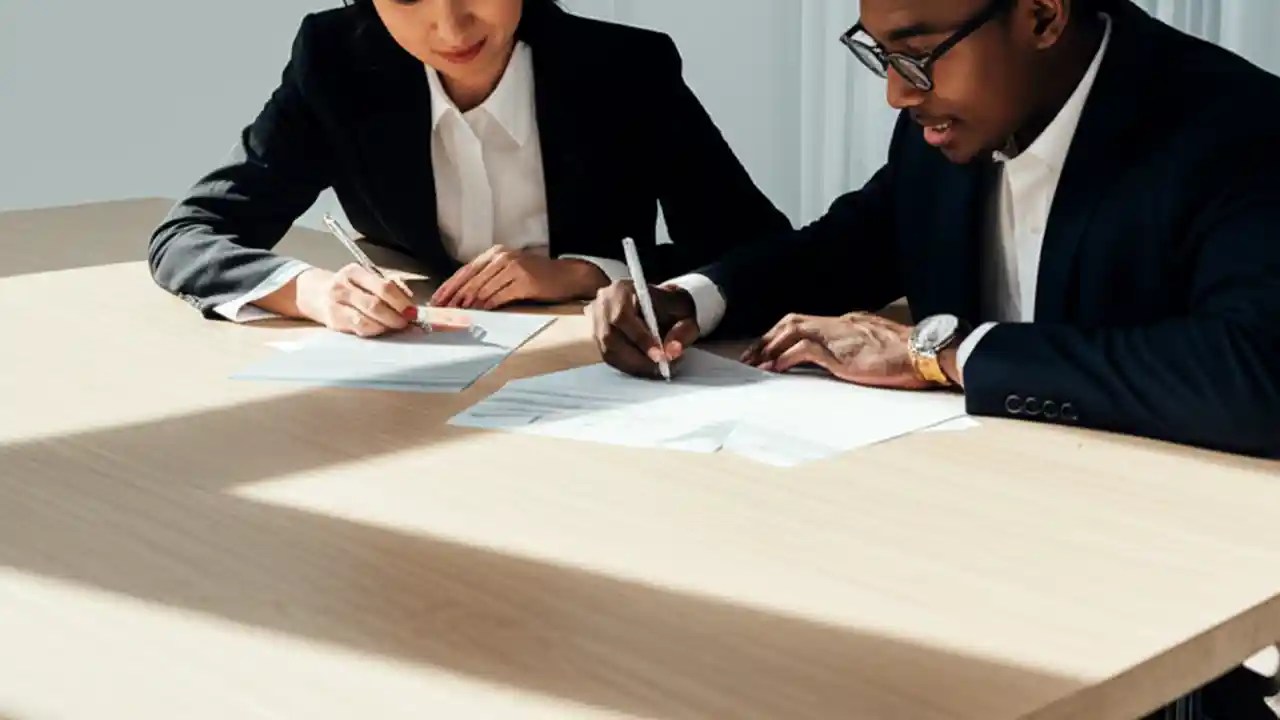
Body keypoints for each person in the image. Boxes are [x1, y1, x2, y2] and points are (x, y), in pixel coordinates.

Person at [589, 0, 1280, 464]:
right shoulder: (952, 115)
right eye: (880, 54)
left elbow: (1253, 374)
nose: (897, 92)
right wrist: (689, 298)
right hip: (957, 510)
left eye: (916, 54)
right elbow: (856, 242)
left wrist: (942, 355)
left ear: (1041, 15)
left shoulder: (1239, 130)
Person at [148, 0, 790, 337]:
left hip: (594, 375)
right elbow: (189, 235)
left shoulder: (625, 70)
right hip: (413, 390)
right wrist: (316, 293)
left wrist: (579, 273)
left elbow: (758, 246)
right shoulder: (335, 64)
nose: (449, 23)